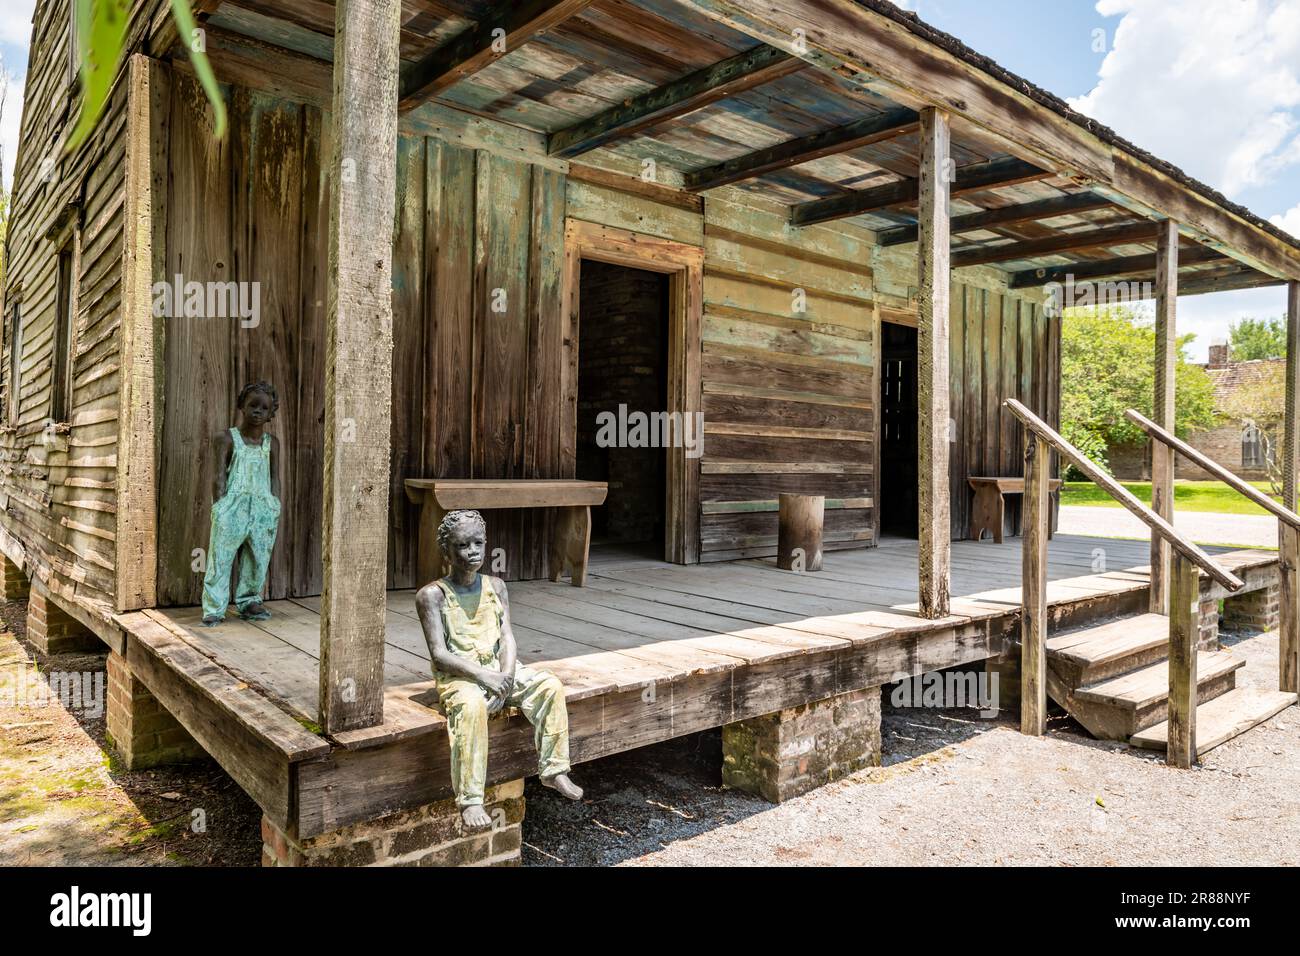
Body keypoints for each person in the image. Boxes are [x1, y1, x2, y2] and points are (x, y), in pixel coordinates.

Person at [416, 510, 582, 828]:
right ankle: (470, 799)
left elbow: (507, 638)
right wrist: (485, 678)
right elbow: (439, 654)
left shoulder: (496, 586)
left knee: (548, 686)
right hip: (461, 676)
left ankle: (554, 768)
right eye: (463, 545)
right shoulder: (432, 596)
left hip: (500, 670)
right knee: (470, 706)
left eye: (478, 543)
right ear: (446, 551)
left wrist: (504, 678)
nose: (473, 551)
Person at [200, 381, 281, 626]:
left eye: (264, 408)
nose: (257, 411)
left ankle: (249, 600)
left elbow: (275, 477)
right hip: (232, 507)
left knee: (258, 557)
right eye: (252, 405)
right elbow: (218, 475)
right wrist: (220, 505)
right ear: (241, 407)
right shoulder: (226, 438)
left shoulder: (271, 443)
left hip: (263, 508)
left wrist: (274, 504)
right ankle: (214, 607)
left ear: (270, 414)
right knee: (220, 558)